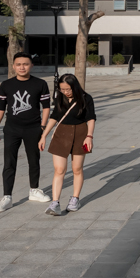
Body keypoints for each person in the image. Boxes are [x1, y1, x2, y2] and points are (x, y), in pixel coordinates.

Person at [0, 52, 50, 212]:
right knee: (9, 162)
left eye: (25, 64)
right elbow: (0, 108)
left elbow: (46, 107)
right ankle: (7, 197)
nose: (22, 67)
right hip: (12, 129)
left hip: (33, 128)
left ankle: (34, 190)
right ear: (13, 66)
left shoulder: (40, 84)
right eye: (18, 64)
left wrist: (43, 128)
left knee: (34, 160)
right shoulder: (6, 85)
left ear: (31, 65)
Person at [41, 72, 97, 215]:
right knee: (59, 169)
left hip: (80, 134)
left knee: (77, 168)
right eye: (62, 89)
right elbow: (54, 116)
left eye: (68, 89)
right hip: (62, 134)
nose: (65, 92)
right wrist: (44, 135)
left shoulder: (86, 98)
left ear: (75, 87)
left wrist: (89, 136)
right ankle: (55, 203)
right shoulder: (60, 97)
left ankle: (75, 199)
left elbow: (91, 118)